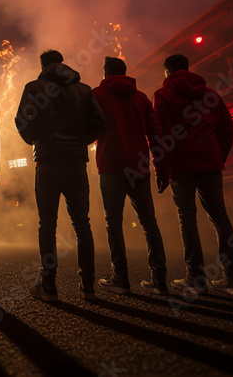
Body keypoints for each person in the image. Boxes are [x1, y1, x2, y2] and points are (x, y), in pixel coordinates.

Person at [15, 49, 107, 302]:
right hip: (76, 162)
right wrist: (79, 142)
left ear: (43, 64)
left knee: (47, 224)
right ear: (62, 63)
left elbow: (22, 121)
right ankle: (88, 287)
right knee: (82, 224)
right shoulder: (83, 90)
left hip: (47, 161)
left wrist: (34, 140)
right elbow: (100, 122)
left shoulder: (34, 87)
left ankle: (49, 287)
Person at [153, 54, 233, 296]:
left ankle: (196, 277)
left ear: (167, 71)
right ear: (187, 68)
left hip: (181, 167)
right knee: (220, 218)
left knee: (187, 218)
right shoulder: (211, 95)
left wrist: (162, 169)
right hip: (210, 165)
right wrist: (217, 156)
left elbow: (161, 135)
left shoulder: (163, 95)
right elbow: (227, 129)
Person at [92, 56, 169, 296]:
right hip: (139, 166)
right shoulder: (141, 98)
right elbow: (156, 134)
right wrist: (161, 168)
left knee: (113, 222)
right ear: (125, 73)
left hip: (111, 167)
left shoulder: (98, 95)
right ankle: (159, 279)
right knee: (149, 222)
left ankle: (120, 278)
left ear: (106, 74)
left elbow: (89, 126)